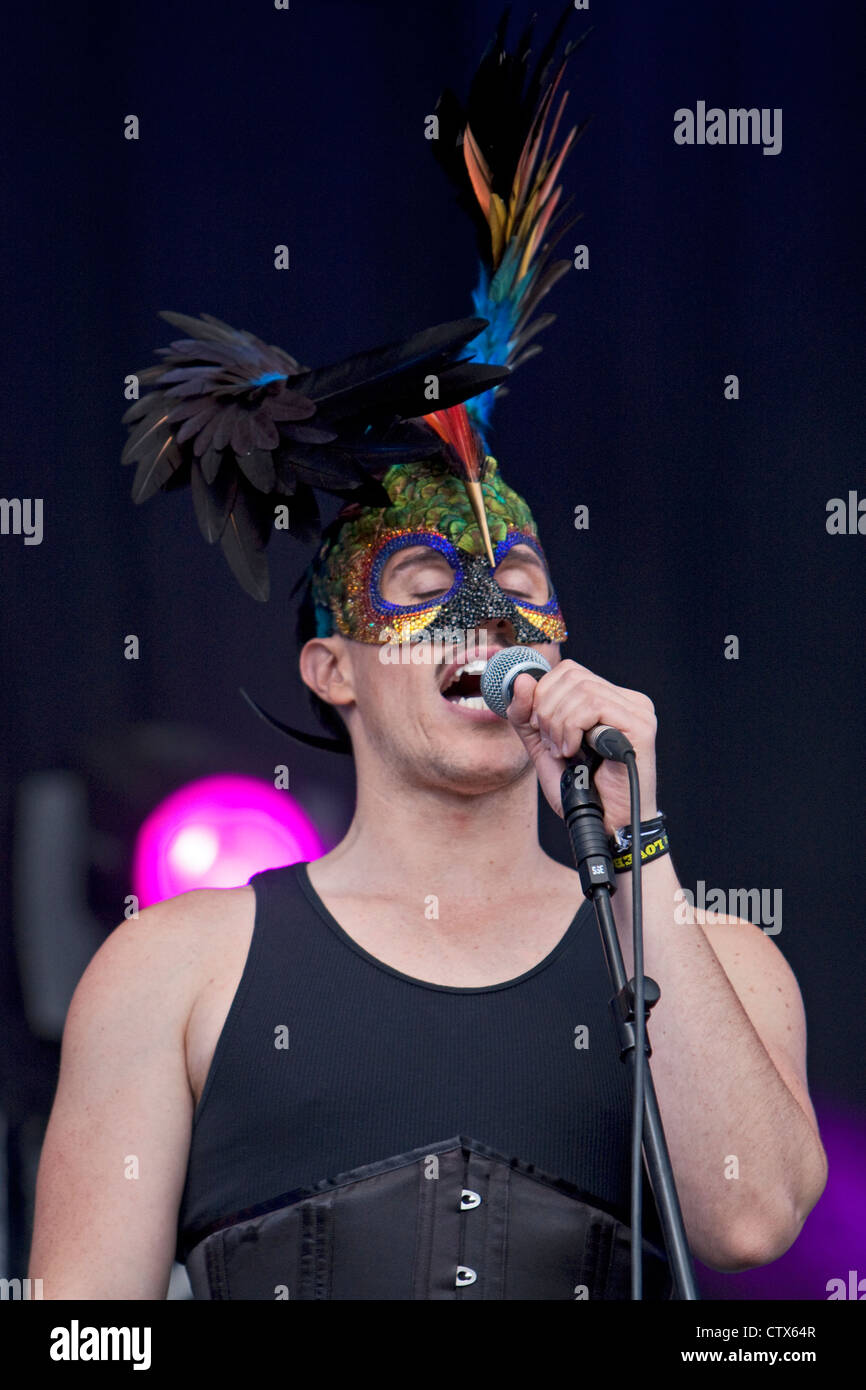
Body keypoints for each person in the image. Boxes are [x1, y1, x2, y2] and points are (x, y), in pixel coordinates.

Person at [27, 12, 827, 1301]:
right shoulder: (174, 968)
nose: (490, 619)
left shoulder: (717, 961)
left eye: (516, 581)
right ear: (333, 667)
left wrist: (635, 856)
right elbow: (81, 1336)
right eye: (425, 586)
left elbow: (749, 1225)